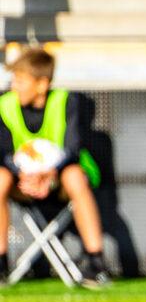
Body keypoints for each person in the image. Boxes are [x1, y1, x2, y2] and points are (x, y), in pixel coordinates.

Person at [0, 49, 110, 288]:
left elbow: (72, 149)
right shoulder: (5, 105)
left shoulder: (65, 102)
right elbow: (4, 152)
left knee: (75, 177)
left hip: (58, 179)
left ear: (42, 84)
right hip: (23, 180)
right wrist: (25, 175)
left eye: (21, 81)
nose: (14, 86)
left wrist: (47, 174)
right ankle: (0, 263)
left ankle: (96, 263)